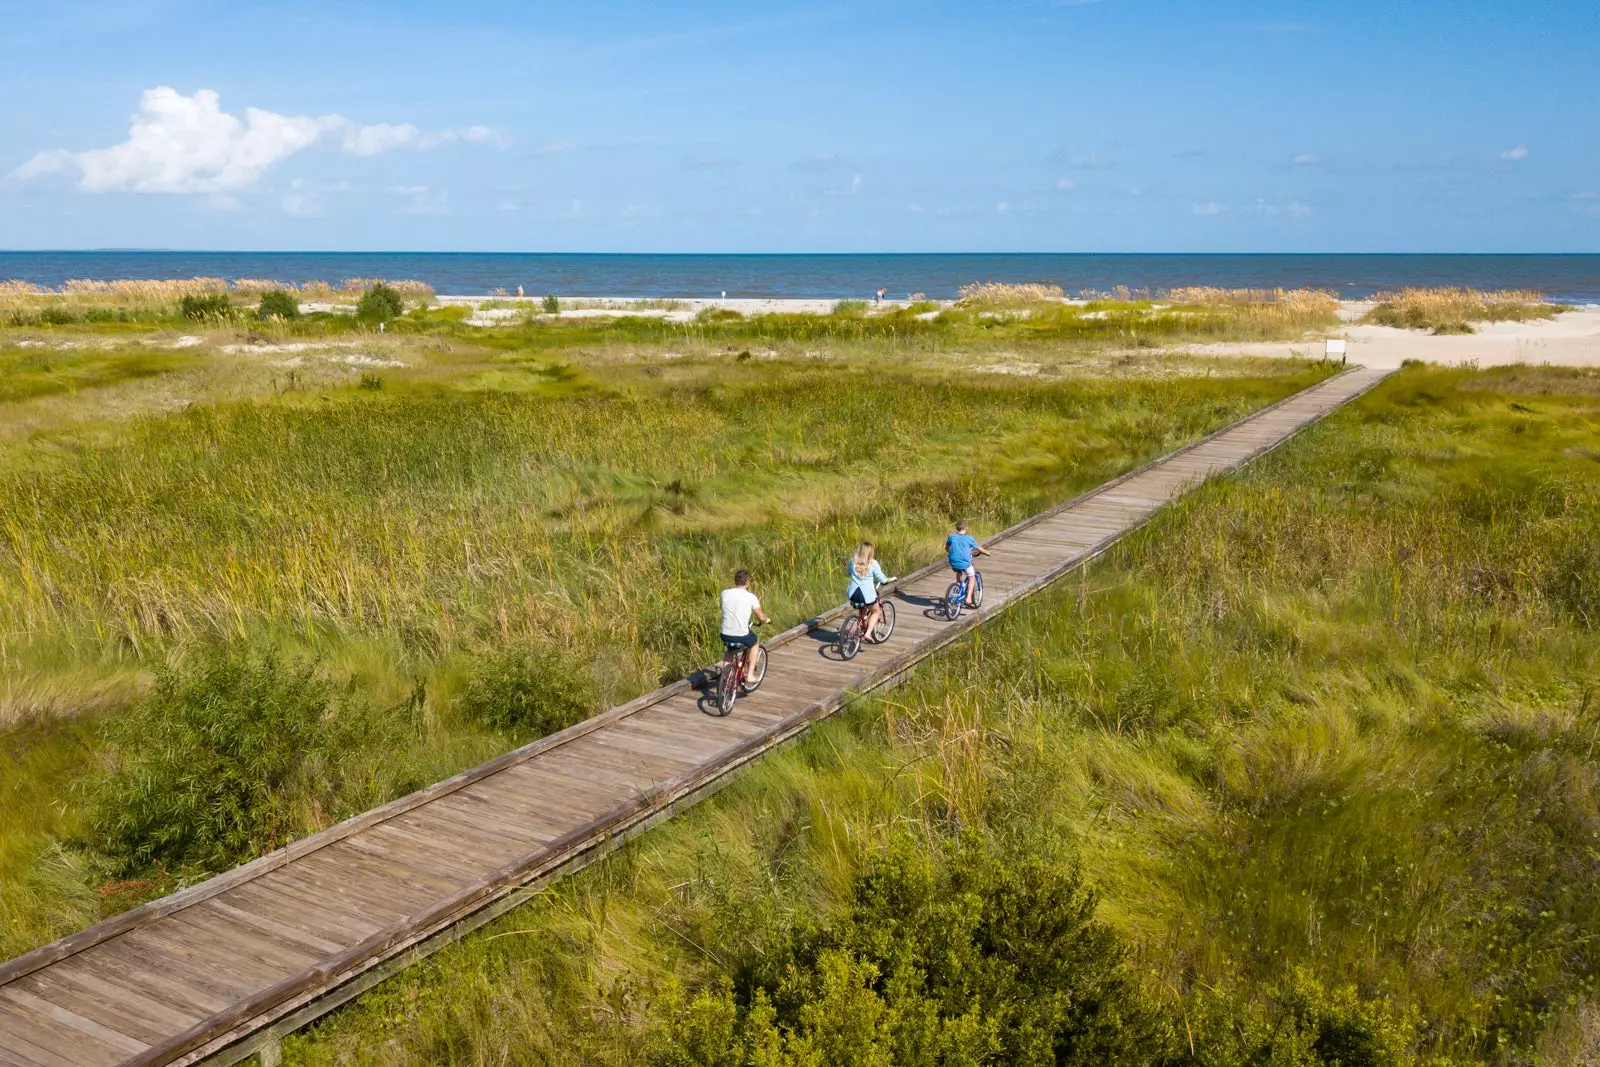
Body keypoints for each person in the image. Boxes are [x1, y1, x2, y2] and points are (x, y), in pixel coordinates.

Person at [719, 568, 771, 669]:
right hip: (741, 634)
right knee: (755, 643)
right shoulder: (751, 597)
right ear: (747, 582)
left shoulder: (724, 593)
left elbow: (722, 608)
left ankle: (725, 678)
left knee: (730, 650)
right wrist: (767, 620)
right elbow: (760, 616)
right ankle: (751, 675)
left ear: (735, 581)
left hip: (725, 634)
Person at [845, 541, 893, 642]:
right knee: (875, 611)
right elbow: (882, 579)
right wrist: (891, 579)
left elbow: (848, 572)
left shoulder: (852, 561)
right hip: (866, 595)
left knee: (862, 610)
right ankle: (868, 633)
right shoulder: (873, 563)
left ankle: (859, 626)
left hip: (853, 593)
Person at [945, 520, 990, 607]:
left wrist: (953, 553)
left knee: (958, 570)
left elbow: (947, 548)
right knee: (971, 577)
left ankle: (958, 585)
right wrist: (987, 552)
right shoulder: (969, 538)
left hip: (953, 561)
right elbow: (978, 548)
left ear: (957, 528)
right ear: (966, 528)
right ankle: (968, 598)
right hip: (965, 562)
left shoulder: (951, 537)